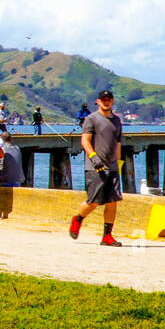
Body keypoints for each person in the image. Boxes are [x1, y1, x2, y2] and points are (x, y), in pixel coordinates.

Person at [69, 90, 124, 246]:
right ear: (98, 101)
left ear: (112, 101)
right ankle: (78, 218)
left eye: (109, 99)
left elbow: (118, 143)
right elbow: (85, 140)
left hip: (112, 166)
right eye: (103, 99)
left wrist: (118, 164)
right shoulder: (91, 119)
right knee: (93, 201)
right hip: (95, 167)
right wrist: (93, 156)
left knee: (113, 201)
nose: (106, 102)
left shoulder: (117, 121)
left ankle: (107, 236)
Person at [0, 132, 24, 218]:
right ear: (11, 139)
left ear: (1, 140)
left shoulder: (1, 150)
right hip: (17, 181)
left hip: (5, 182)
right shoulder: (17, 149)